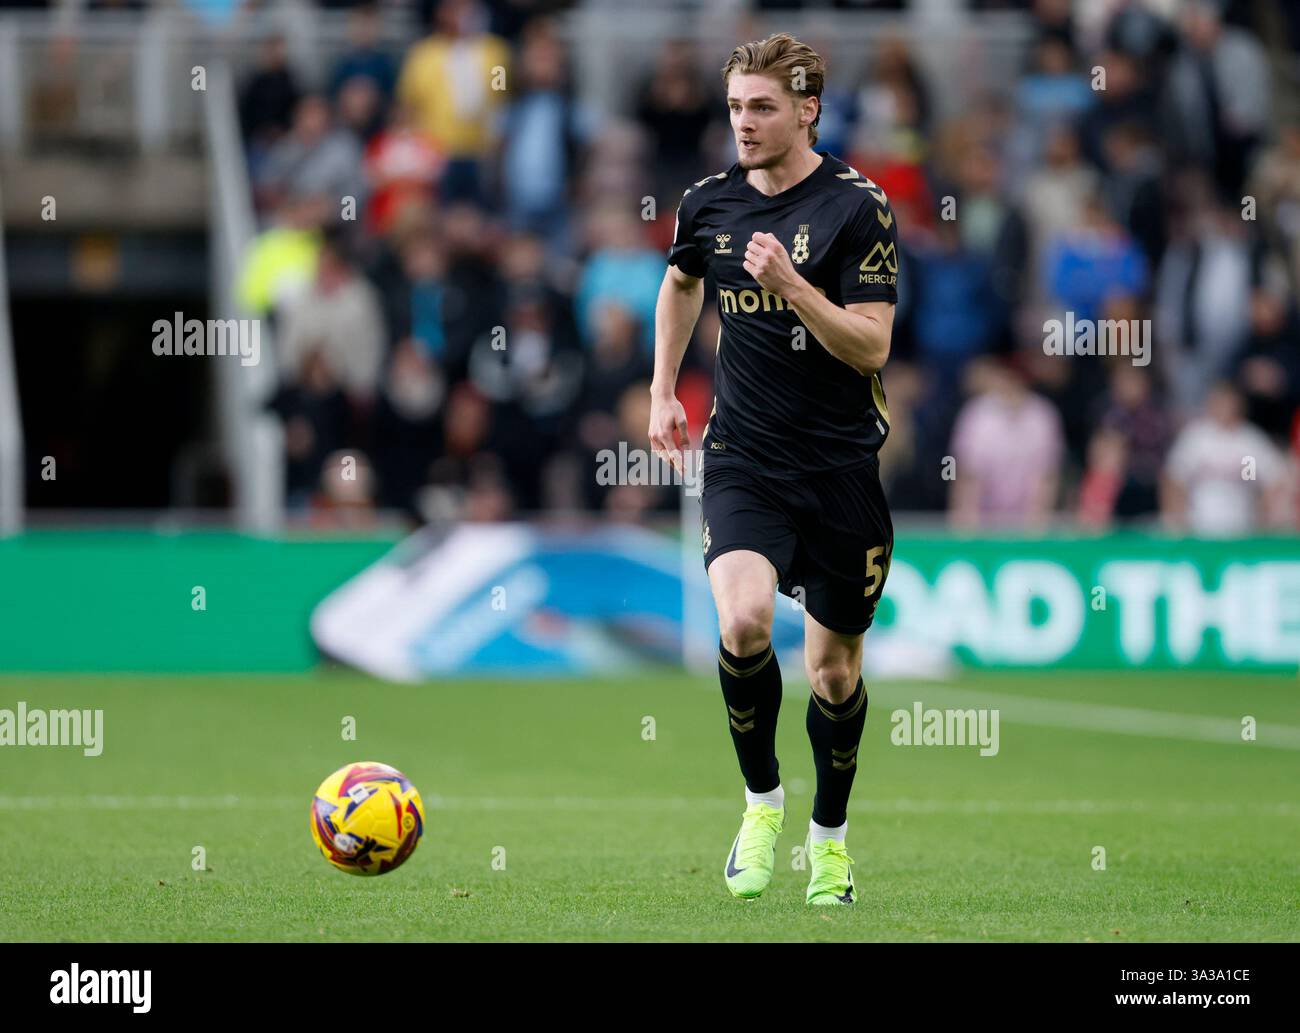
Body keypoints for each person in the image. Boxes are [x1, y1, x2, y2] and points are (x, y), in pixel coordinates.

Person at [648, 33, 898, 907]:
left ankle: (828, 839)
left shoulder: (857, 209)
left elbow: (872, 345)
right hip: (743, 458)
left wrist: (794, 287)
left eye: (761, 108)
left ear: (806, 110)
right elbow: (682, 282)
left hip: (839, 470)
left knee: (834, 672)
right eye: (734, 108)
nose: (744, 124)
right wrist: (663, 390)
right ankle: (761, 804)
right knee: (745, 620)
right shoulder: (707, 203)